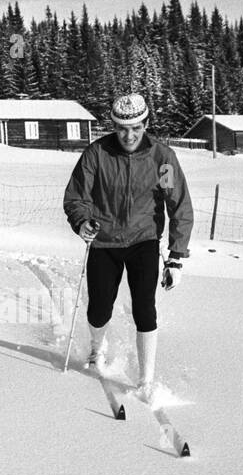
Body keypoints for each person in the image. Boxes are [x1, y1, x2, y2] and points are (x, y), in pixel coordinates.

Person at [62, 92, 193, 397]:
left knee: (145, 309)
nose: (129, 135)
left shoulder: (162, 159)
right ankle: (96, 349)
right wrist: (82, 221)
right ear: (114, 126)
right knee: (98, 310)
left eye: (136, 127)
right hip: (104, 243)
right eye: (122, 128)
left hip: (143, 241)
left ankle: (146, 380)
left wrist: (176, 257)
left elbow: (179, 207)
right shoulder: (97, 154)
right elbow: (76, 197)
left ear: (146, 123)